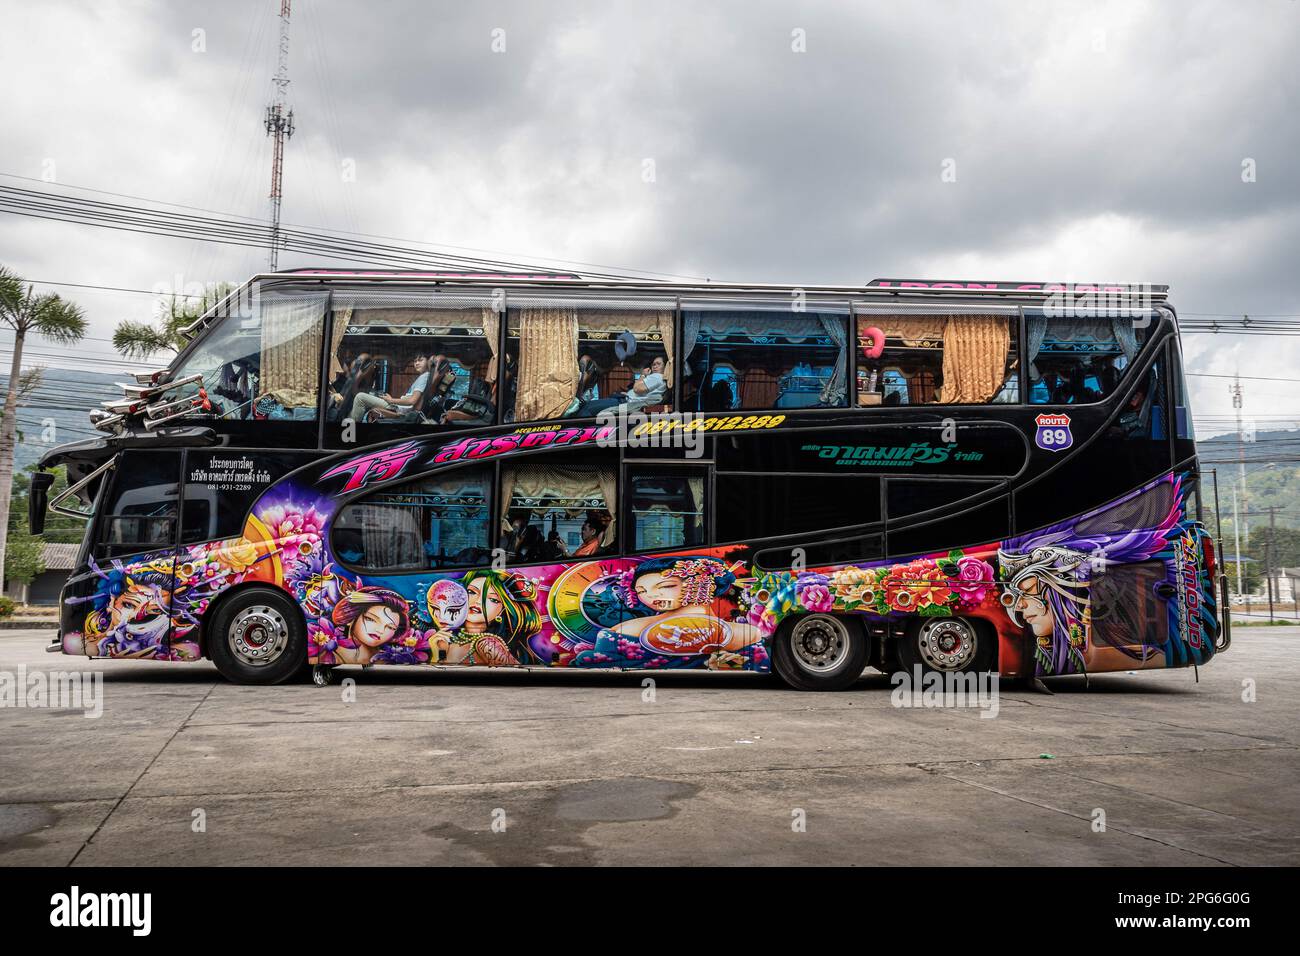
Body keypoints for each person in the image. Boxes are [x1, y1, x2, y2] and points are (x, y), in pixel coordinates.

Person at [575, 355, 667, 416]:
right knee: (588, 406)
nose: (654, 366)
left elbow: (637, 389)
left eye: (658, 364)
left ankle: (581, 433)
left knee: (587, 408)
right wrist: (628, 393)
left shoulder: (657, 377)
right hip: (625, 399)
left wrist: (642, 375)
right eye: (653, 364)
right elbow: (641, 393)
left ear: (665, 366)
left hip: (624, 403)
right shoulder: (658, 379)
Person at [349, 354, 430, 422]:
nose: (417, 363)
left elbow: (412, 401)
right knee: (370, 394)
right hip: (398, 406)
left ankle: (351, 429)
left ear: (428, 362)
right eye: (415, 361)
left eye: (420, 360)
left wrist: (391, 400)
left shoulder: (425, 377)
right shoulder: (423, 376)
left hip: (398, 409)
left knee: (360, 397)